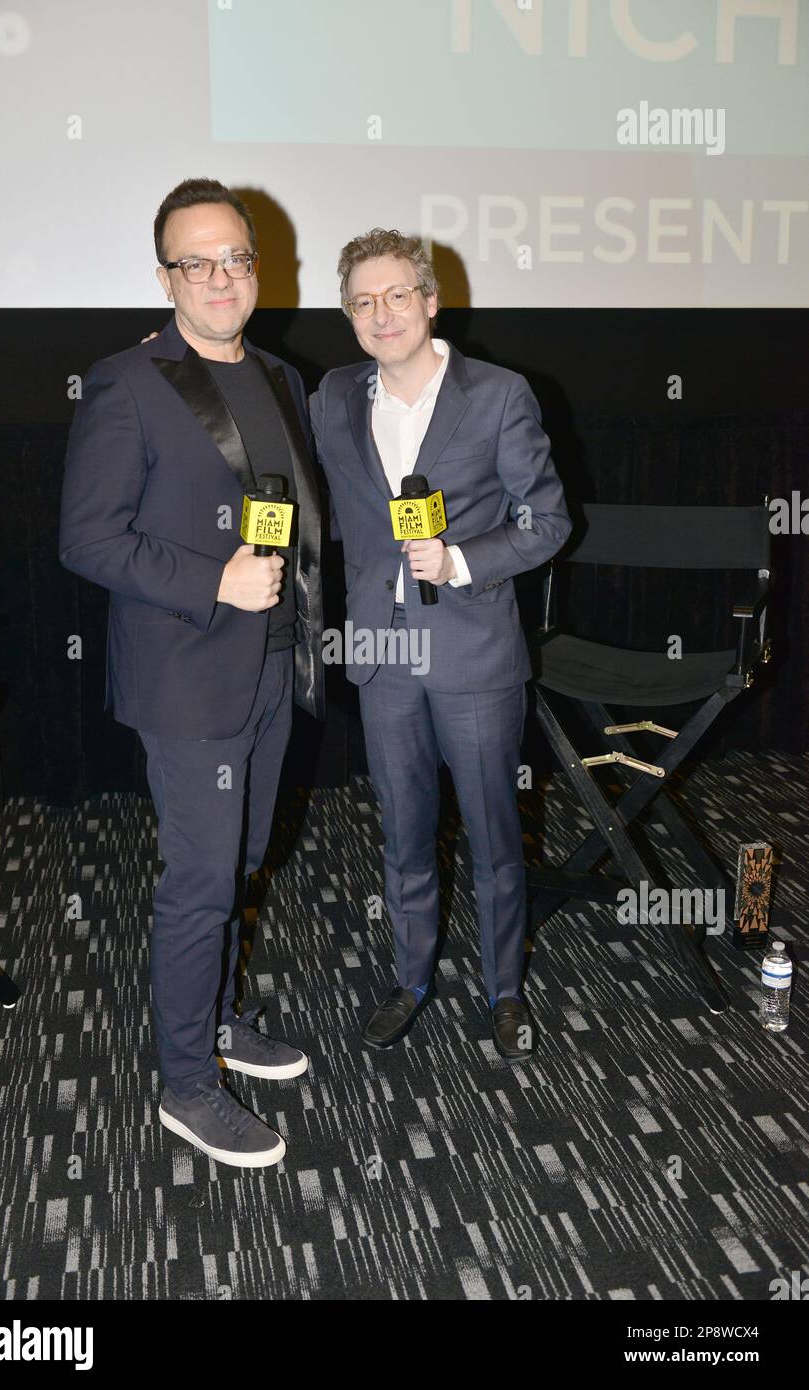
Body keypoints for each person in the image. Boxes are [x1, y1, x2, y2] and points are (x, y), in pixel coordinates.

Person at [59, 179, 324, 1167]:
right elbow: (86, 539)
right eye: (195, 262)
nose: (219, 278)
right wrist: (211, 580)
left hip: (270, 667)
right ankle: (185, 1083)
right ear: (165, 273)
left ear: (258, 268)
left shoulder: (281, 378)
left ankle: (213, 1021)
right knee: (201, 882)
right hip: (186, 678)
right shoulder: (128, 383)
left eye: (235, 259)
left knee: (245, 858)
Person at [309, 229, 571, 1061]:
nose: (380, 314)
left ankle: (503, 991)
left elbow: (548, 523)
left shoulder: (498, 395)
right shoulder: (332, 397)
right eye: (361, 301)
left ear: (428, 300)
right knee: (403, 832)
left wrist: (462, 559)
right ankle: (411, 978)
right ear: (347, 314)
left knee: (495, 838)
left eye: (395, 296)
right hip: (382, 656)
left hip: (472, 656)